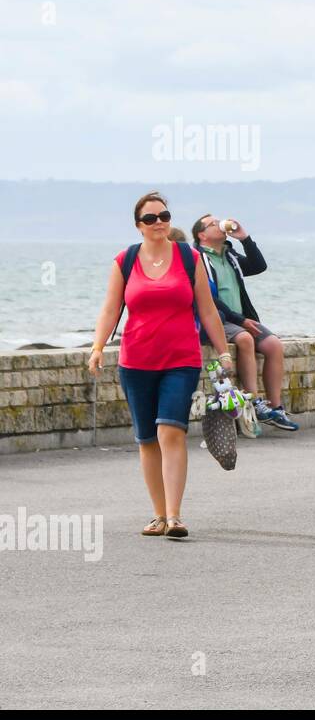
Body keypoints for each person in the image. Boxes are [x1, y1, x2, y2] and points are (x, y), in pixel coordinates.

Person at [87, 192, 231, 540]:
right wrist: (97, 346)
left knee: (171, 431)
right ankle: (157, 514)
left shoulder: (188, 256)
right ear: (139, 226)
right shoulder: (125, 260)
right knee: (148, 439)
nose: (159, 222)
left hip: (180, 359)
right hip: (136, 361)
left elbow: (207, 308)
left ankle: (175, 515)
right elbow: (111, 309)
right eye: (150, 218)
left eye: (163, 215)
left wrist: (224, 352)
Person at [191, 214, 298, 431]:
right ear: (201, 235)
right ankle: (255, 403)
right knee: (245, 339)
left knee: (274, 346)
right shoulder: (198, 259)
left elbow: (258, 266)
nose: (219, 224)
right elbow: (209, 298)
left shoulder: (229, 255)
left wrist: (244, 238)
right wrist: (240, 320)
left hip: (241, 317)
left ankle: (275, 408)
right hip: (220, 318)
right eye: (213, 223)